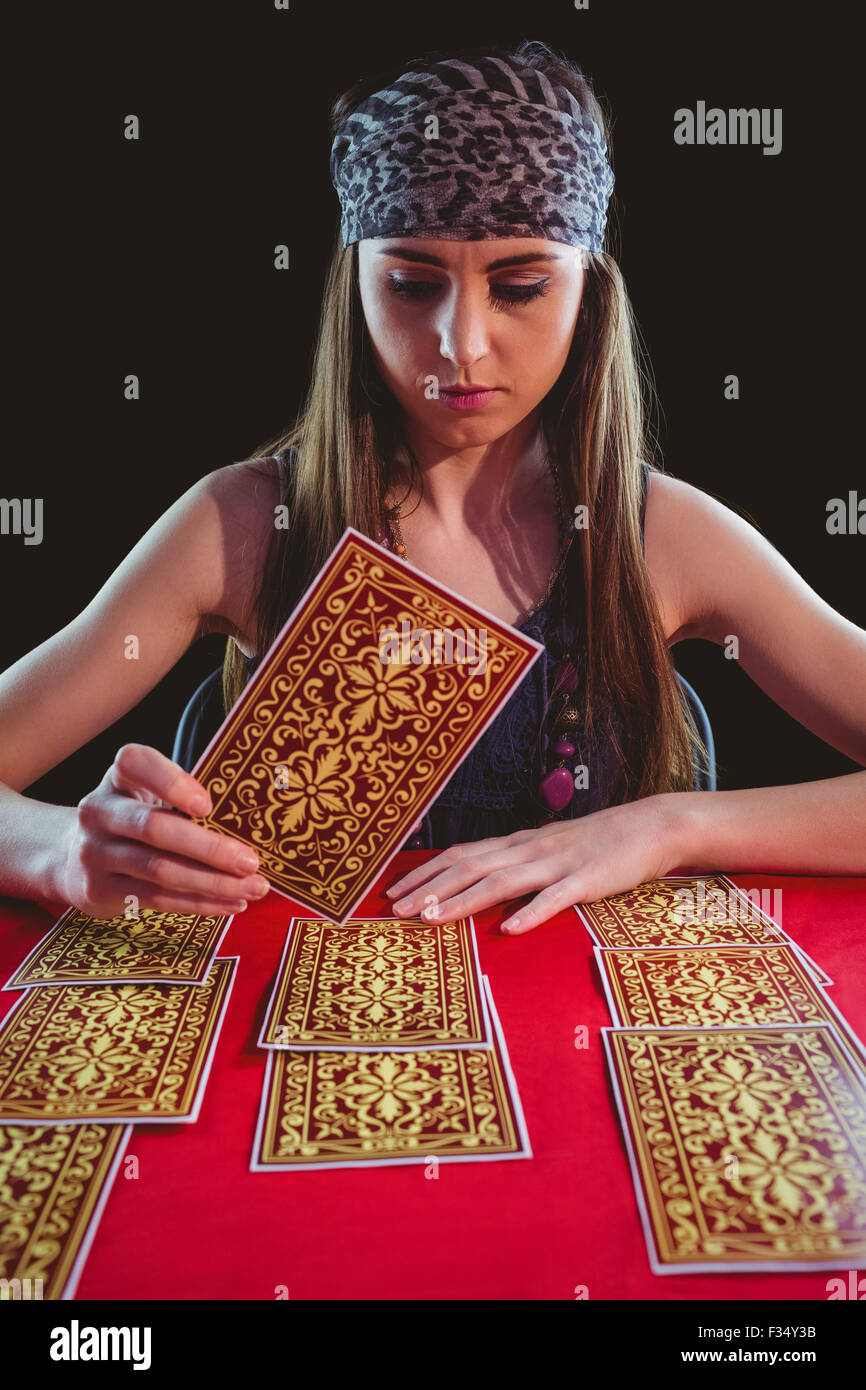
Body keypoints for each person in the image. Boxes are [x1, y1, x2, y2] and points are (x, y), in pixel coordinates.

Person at [1, 42, 864, 937]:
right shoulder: (246, 524)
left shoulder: (661, 537)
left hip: (562, 1061)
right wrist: (59, 852)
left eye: (521, 286)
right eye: (411, 285)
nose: (462, 345)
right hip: (290, 1045)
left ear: (589, 292)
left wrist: (673, 826)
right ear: (355, 286)